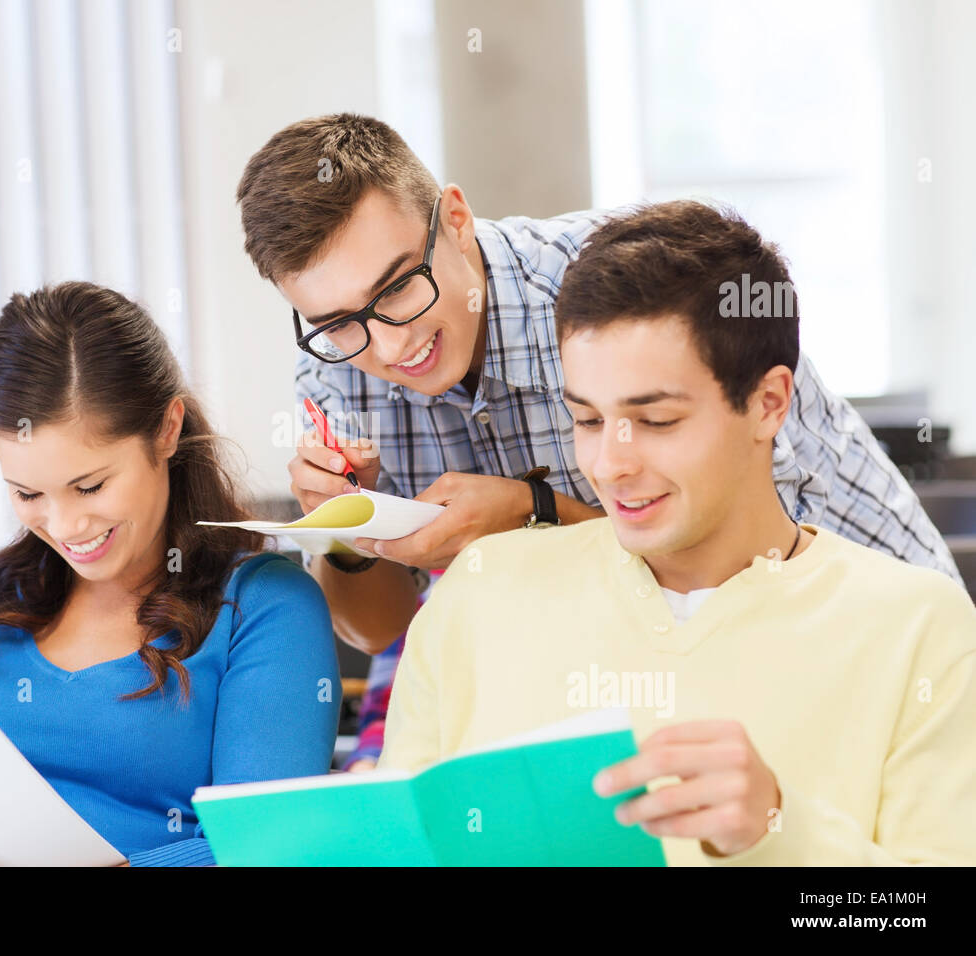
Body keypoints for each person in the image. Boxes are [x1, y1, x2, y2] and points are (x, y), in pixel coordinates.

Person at [236, 113, 961, 662]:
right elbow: (378, 628)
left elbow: (758, 576)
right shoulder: (338, 369)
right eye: (337, 321)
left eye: (400, 286)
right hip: (651, 671)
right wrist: (345, 535)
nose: (389, 343)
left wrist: (532, 515)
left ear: (455, 221)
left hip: (865, 642)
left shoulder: (632, 293)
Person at [377, 200, 976, 865]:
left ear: (768, 404)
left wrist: (779, 829)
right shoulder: (478, 593)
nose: (610, 466)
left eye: (656, 421)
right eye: (588, 421)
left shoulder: (920, 628)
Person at [0, 281, 341, 867]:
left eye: (90, 486)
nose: (67, 526)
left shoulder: (265, 607)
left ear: (167, 429)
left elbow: (268, 853)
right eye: (28, 493)